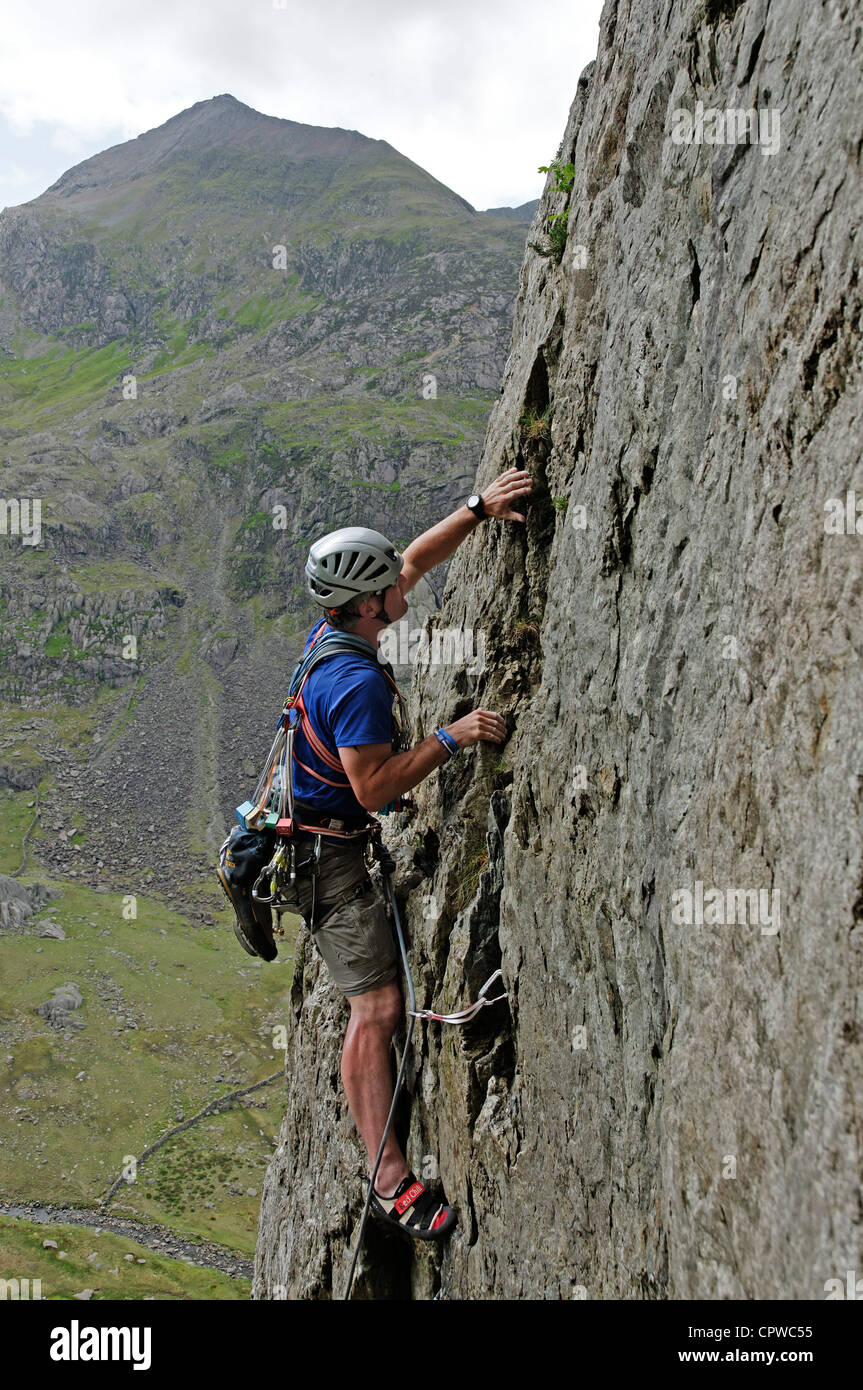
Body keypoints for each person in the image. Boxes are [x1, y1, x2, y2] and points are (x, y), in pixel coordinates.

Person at [243, 467, 531, 1239]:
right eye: (387, 585)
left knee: (376, 1003)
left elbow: (412, 562)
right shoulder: (356, 683)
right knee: (375, 1009)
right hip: (327, 867)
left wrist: (476, 508)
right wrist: (450, 736)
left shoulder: (337, 629)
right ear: (368, 605)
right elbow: (371, 789)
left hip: (319, 843)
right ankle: (389, 1177)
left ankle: (385, 1165)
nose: (401, 583)